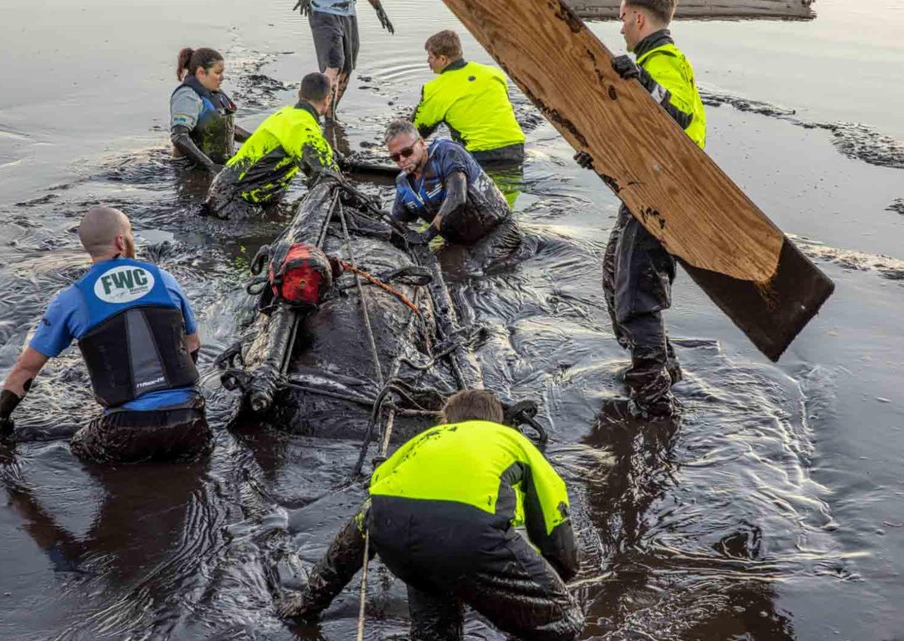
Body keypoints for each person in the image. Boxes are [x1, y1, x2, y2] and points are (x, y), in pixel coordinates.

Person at [279, 389, 583, 641]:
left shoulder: (422, 442)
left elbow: (363, 523)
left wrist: (308, 604)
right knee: (565, 621)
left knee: (435, 631)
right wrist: (557, 579)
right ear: (498, 420)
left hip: (396, 537)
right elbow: (553, 518)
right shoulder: (513, 441)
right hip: (470, 537)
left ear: (446, 419)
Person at [0, 207, 210, 464]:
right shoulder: (164, 279)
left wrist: (0, 424)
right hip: (191, 426)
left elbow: (25, 370)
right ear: (121, 240)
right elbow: (193, 344)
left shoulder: (71, 299)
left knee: (71, 442)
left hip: (124, 434)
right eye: (130, 234)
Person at [575, 0, 706, 419]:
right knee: (616, 276)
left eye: (621, 21)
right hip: (646, 190)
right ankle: (664, 371)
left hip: (664, 194)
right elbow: (642, 131)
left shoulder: (662, 59)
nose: (620, 31)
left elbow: (679, 119)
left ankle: (655, 404)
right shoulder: (655, 60)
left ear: (637, 17)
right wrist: (600, 154)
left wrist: (645, 82)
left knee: (636, 291)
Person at [385, 120, 520, 269]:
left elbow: (457, 199)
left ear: (422, 143)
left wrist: (426, 235)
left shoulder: (447, 153)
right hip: (458, 243)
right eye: (395, 157)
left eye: (406, 152)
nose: (402, 160)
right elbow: (398, 224)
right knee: (439, 269)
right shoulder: (403, 185)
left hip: (499, 230)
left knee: (472, 270)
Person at [204, 72, 339, 218]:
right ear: (327, 99)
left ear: (299, 94)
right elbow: (326, 174)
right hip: (235, 203)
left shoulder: (284, 114)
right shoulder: (304, 127)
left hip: (220, 189)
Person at [412, 30, 526, 168]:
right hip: (515, 148)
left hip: (478, 155)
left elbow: (415, 132)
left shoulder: (435, 89)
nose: (428, 61)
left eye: (430, 57)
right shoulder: (493, 73)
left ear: (443, 59)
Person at [294, 0, 394, 119]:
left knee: (347, 68)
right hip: (324, 11)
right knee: (334, 66)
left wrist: (378, 8)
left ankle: (330, 116)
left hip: (348, 12)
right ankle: (306, 115)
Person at [170, 47, 251, 171]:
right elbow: (179, 137)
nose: (222, 78)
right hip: (190, 169)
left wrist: (255, 139)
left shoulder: (214, 92)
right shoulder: (187, 96)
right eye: (218, 73)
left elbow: (226, 128)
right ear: (201, 73)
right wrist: (210, 166)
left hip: (216, 165)